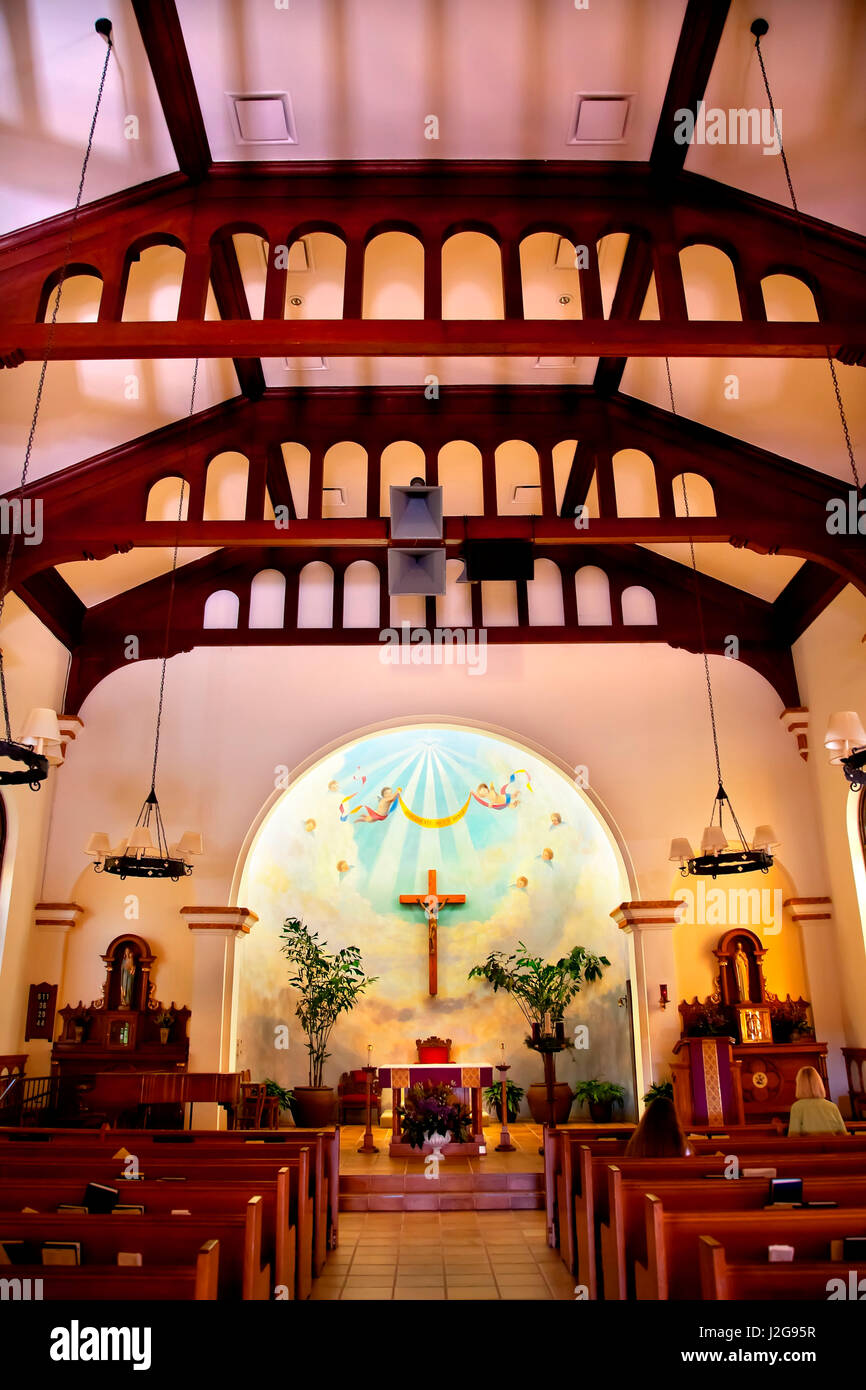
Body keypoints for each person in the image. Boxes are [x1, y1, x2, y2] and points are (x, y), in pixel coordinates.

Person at [787, 1066, 848, 1135]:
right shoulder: (832, 1106)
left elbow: (793, 1135)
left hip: (810, 1145)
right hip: (832, 1144)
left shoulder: (797, 1107)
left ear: (799, 1085)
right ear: (819, 1083)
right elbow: (842, 1133)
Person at [625, 1096, 691, 1158]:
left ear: (648, 1117)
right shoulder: (680, 1141)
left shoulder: (637, 1142)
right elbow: (688, 1156)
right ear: (673, 1118)